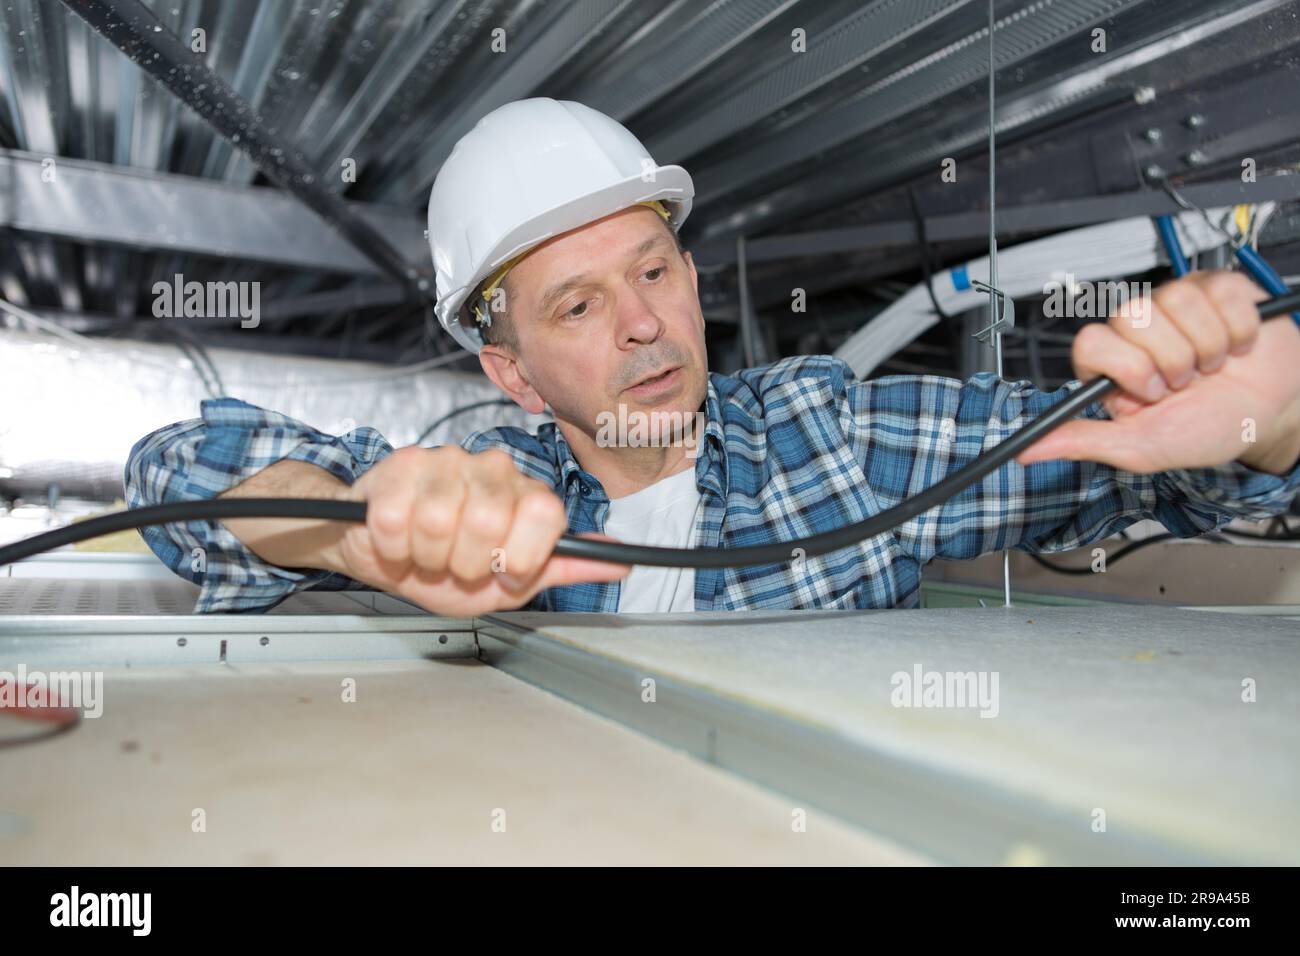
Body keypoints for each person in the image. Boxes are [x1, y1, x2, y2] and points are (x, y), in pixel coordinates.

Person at [125, 98, 1300, 616]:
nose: (641, 324)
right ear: (516, 375)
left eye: (651, 270)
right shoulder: (488, 479)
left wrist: (1268, 423)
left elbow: (1136, 471)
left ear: (690, 282)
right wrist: (350, 528)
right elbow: (177, 472)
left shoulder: (834, 441)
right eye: (576, 304)